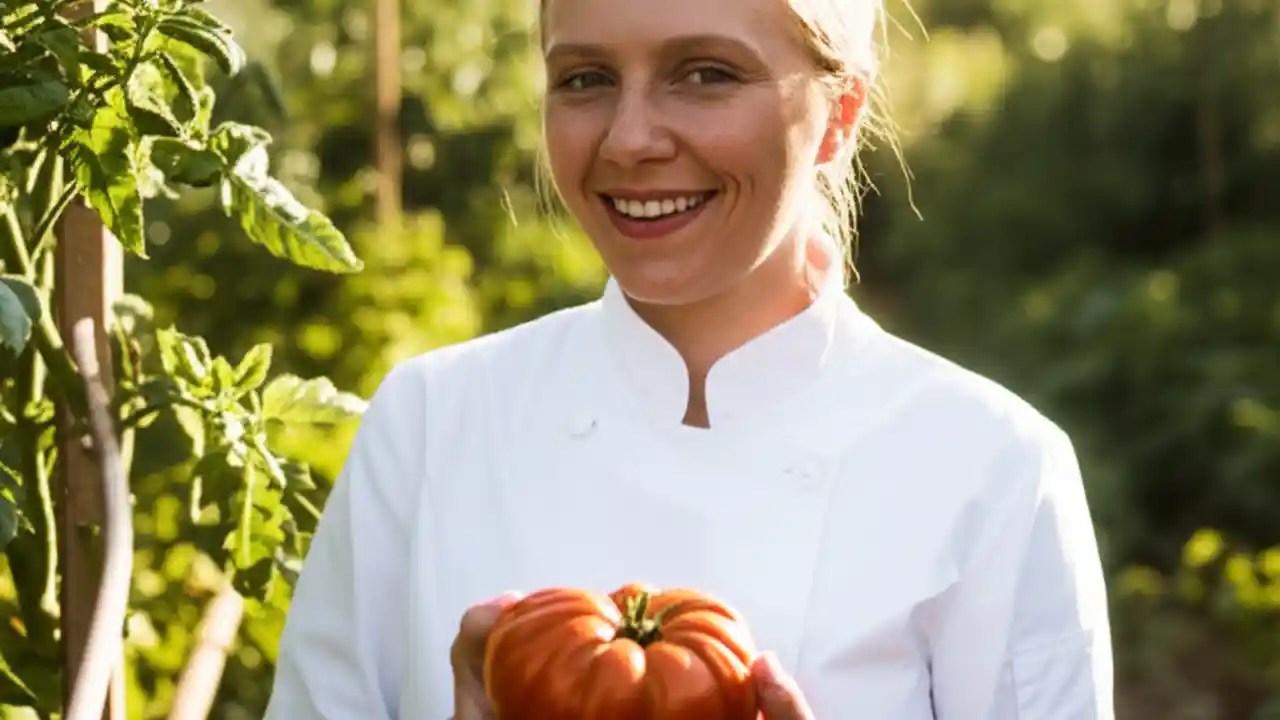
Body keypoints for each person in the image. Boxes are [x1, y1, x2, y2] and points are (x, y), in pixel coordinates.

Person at [263, 0, 1115, 715]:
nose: (629, 140)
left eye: (706, 73)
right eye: (585, 79)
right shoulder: (431, 421)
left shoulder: (991, 466)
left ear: (840, 115)